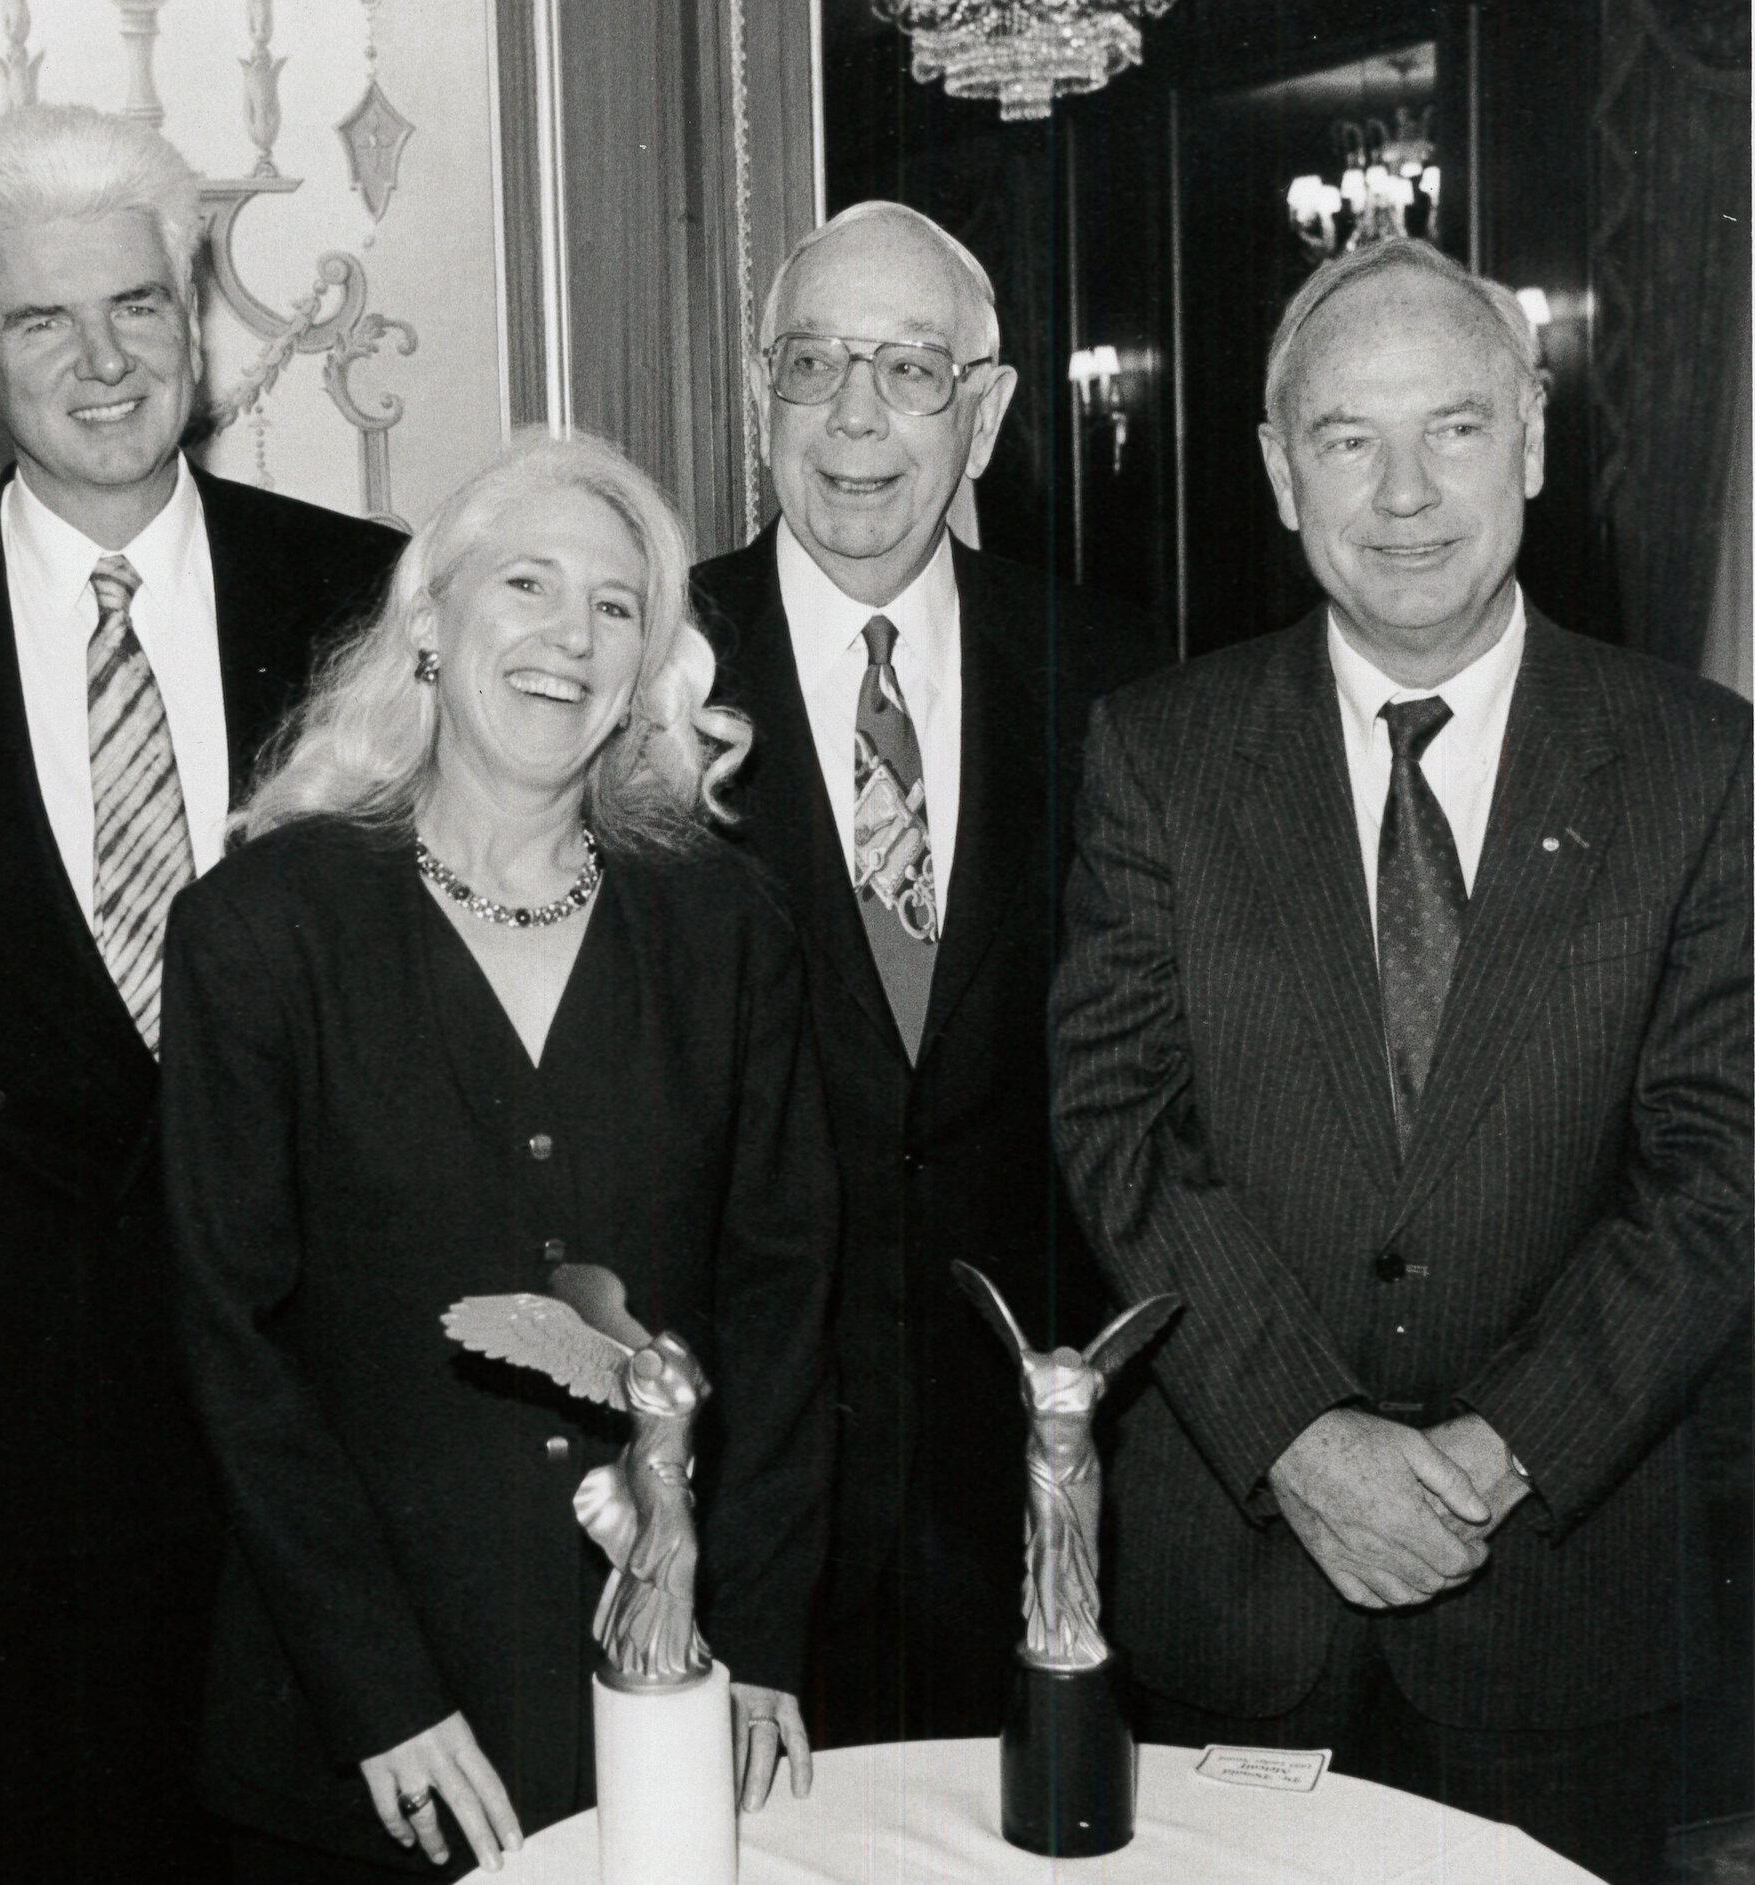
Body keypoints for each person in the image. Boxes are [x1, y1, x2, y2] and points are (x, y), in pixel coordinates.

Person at [0, 105, 405, 1872]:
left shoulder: (370, 599)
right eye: (42, 321)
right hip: (22, 1409)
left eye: (138, 305)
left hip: (331, 1371)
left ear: (198, 323)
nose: (102, 360)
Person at [1051, 237, 1751, 1885]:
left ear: (1532, 439)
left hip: (1563, 1607)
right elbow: (1115, 1125)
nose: (1407, 491)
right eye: (1349, 440)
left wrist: (1494, 1457)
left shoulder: (1704, 761)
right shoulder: (1156, 753)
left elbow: (1721, 1169)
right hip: (1236, 1600)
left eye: (1452, 426)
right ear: (1281, 475)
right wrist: (1302, 1435)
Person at [162, 431, 835, 1880]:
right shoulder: (262, 930)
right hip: (360, 1736)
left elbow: (785, 1302)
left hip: (671, 1693)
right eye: (525, 583)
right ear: (428, 624)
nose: (567, 636)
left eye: (614, 607)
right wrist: (381, 1694)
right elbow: (233, 1344)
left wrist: (761, 1638)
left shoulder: (724, 927)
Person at [690, 201, 1163, 1743]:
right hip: (741, 1499)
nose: (855, 418)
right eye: (812, 363)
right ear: (757, 395)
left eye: (908, 369)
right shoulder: (647, 669)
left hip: (1034, 1493)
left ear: (990, 412)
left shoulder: (1114, 681)